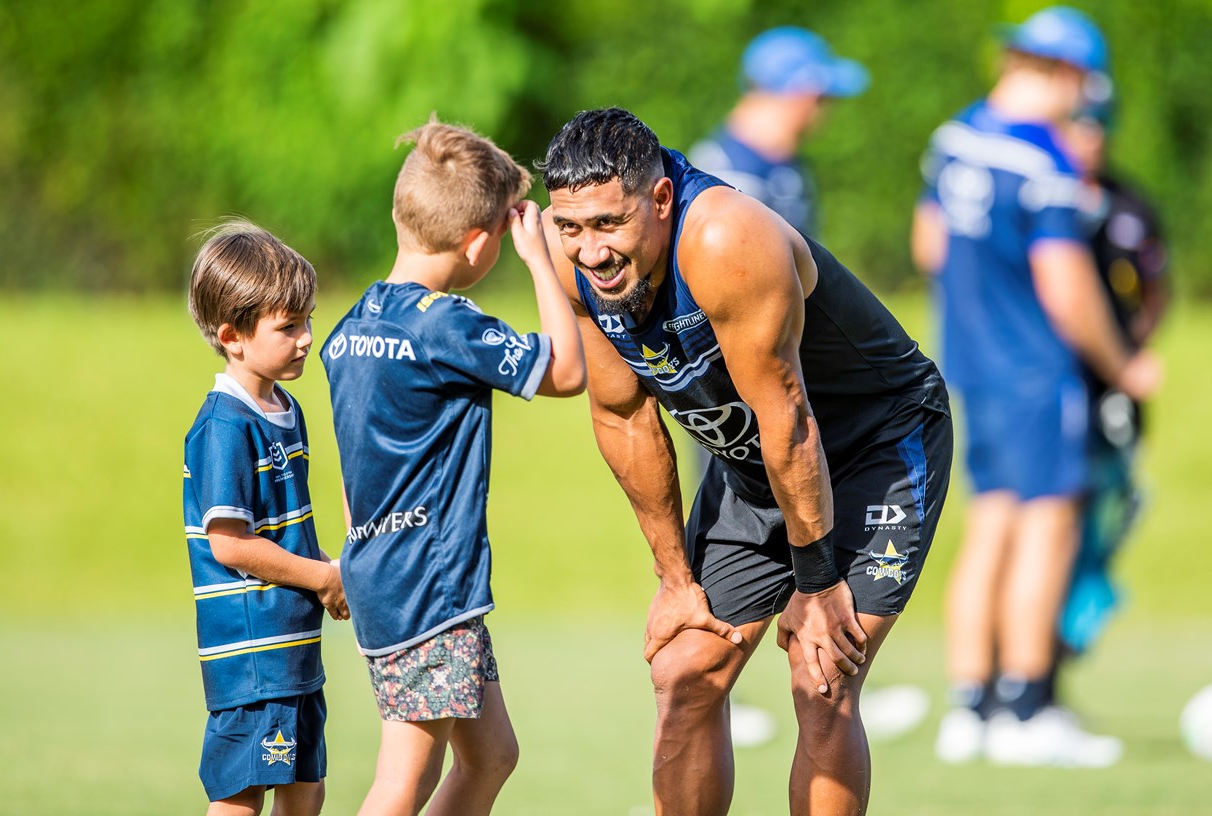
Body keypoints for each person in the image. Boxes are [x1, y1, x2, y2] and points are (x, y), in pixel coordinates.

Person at [539, 106, 952, 816]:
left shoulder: (725, 239)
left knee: (821, 675)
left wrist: (817, 585)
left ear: (660, 199)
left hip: (874, 445)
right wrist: (675, 579)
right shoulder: (570, 253)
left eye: (610, 224)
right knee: (685, 672)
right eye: (573, 227)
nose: (591, 251)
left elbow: (788, 421)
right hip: (757, 461)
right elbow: (623, 415)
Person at [912, 6, 1161, 767]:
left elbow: (929, 245)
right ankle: (1025, 709)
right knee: (1048, 528)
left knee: (990, 524)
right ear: (1064, 73)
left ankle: (970, 708)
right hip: (1036, 374)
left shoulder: (956, 137)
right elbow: (1065, 286)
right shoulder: (1045, 159)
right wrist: (1122, 364)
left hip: (969, 366)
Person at [320, 120, 585, 816]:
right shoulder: (445, 325)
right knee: (402, 780)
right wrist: (540, 260)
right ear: (476, 243)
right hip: (426, 587)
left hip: (386, 571)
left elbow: (354, 460)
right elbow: (567, 370)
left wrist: (356, 553)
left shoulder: (353, 327)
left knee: (492, 755)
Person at [691, 26, 931, 747]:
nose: (824, 108)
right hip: (735, 395)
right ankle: (720, 681)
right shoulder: (719, 174)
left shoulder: (789, 171)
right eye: (819, 93)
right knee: (737, 528)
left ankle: (829, 667)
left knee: (821, 521)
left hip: (795, 386)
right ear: (790, 90)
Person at [183, 220, 349, 815]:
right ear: (232, 336)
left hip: (294, 652)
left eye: (308, 320)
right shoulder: (225, 426)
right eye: (288, 326)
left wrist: (331, 571)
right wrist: (321, 577)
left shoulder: (285, 408)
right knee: (242, 797)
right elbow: (230, 544)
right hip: (253, 658)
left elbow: (286, 529)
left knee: (307, 790)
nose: (306, 339)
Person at [1049, 89, 1170, 697]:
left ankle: (1059, 655)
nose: (1090, 136)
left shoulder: (1131, 205)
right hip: (1053, 390)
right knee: (1051, 523)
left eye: (1100, 124)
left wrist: (1131, 354)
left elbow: (1156, 289)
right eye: (1079, 123)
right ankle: (1027, 679)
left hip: (1114, 396)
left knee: (1108, 515)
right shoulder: (1045, 199)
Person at [689, 25, 868, 239]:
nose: (826, 110)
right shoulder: (724, 174)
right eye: (822, 99)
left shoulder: (789, 168)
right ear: (802, 90)